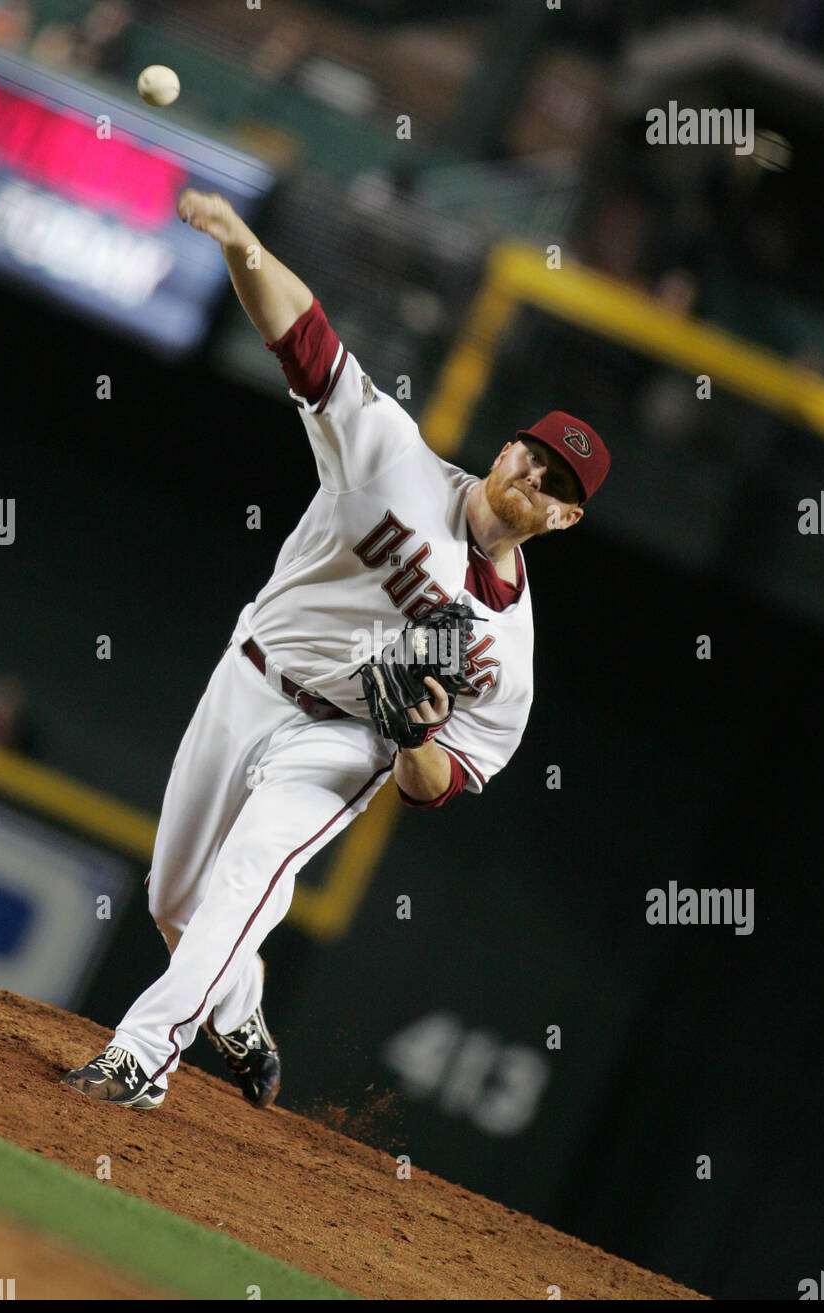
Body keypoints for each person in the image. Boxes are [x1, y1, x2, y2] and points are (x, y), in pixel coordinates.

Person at [63, 189, 610, 1111]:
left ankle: (138, 1062)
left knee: (245, 878)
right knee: (173, 902)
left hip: (345, 740)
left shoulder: (506, 659)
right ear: (508, 447)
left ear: (563, 516)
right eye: (531, 453)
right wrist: (244, 247)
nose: (531, 475)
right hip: (251, 672)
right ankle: (237, 1011)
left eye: (553, 482)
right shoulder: (392, 457)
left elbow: (442, 785)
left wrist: (411, 738)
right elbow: (307, 341)